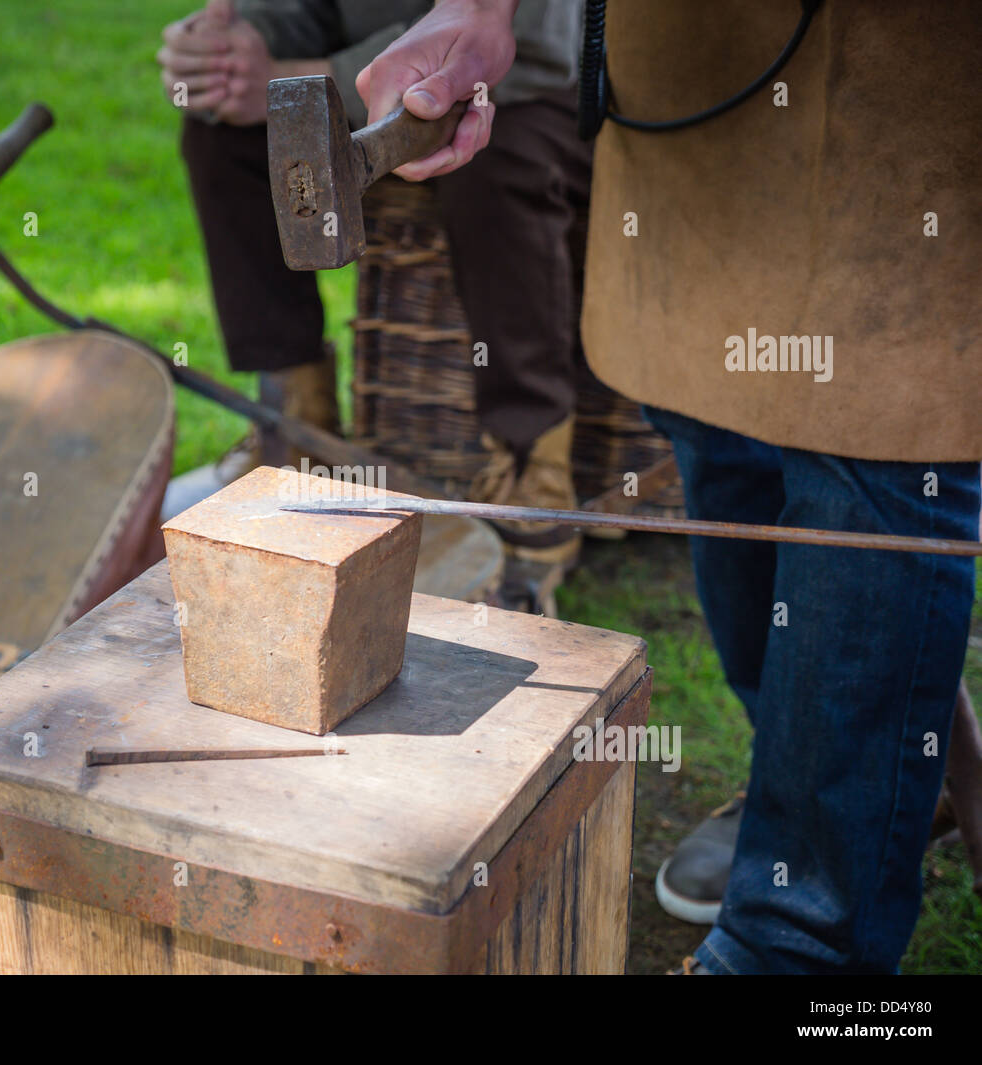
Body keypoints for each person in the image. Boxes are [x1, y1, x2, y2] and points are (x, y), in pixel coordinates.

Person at [356, 0, 981, 973]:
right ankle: (805, 787)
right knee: (713, 420)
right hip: (689, 88)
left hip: (905, 85)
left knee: (866, 446)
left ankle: (798, 944)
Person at [157, 0, 594, 583]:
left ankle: (531, 461)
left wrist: (303, 77)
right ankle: (297, 425)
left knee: (498, 163)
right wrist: (236, 53)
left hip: (534, 90)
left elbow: (537, 42)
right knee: (220, 133)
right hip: (362, 87)